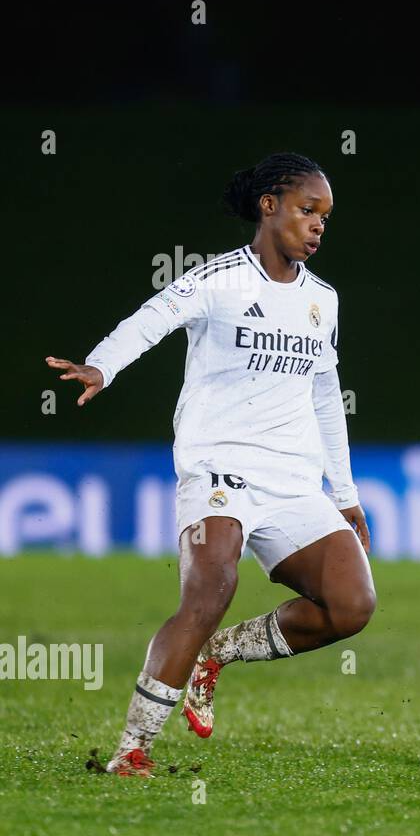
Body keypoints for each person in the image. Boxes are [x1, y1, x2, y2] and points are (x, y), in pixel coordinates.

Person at [45, 153, 376, 777]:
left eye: (325, 217)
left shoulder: (322, 301)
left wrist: (345, 491)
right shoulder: (218, 280)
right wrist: (101, 365)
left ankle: (217, 655)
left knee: (352, 605)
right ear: (269, 205)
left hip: (293, 479)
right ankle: (132, 750)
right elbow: (152, 321)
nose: (318, 226)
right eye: (308, 211)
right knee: (209, 591)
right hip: (219, 466)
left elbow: (326, 397)